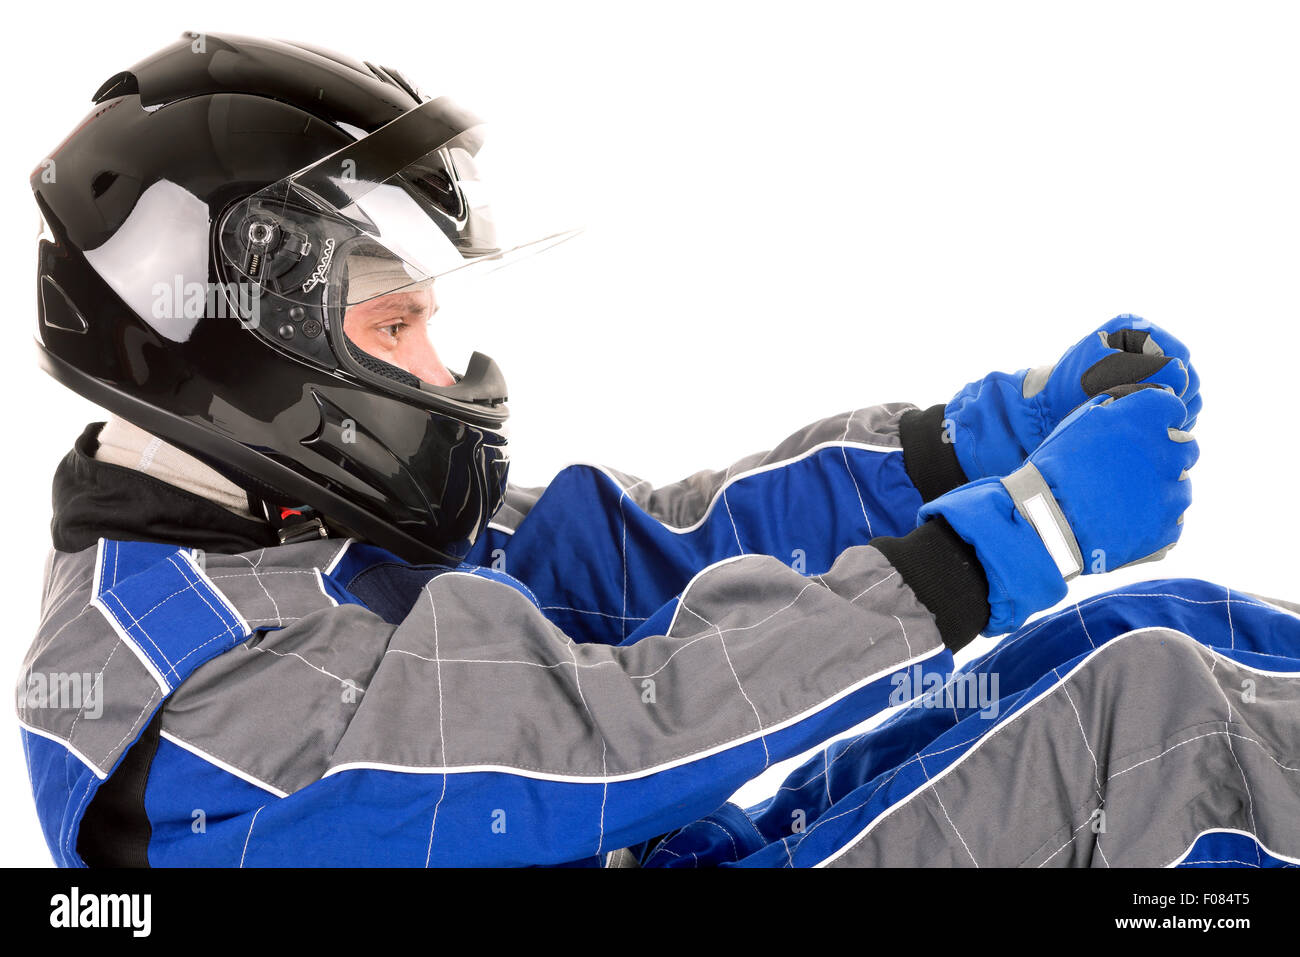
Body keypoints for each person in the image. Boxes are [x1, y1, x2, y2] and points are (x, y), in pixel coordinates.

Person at [17, 32, 1298, 869]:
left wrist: (960, 452)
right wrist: (1020, 540)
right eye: (398, 321)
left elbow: (637, 557)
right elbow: (620, 727)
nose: (435, 366)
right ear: (248, 340)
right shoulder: (196, 703)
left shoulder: (272, 526)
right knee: (1163, 727)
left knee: (1163, 627)